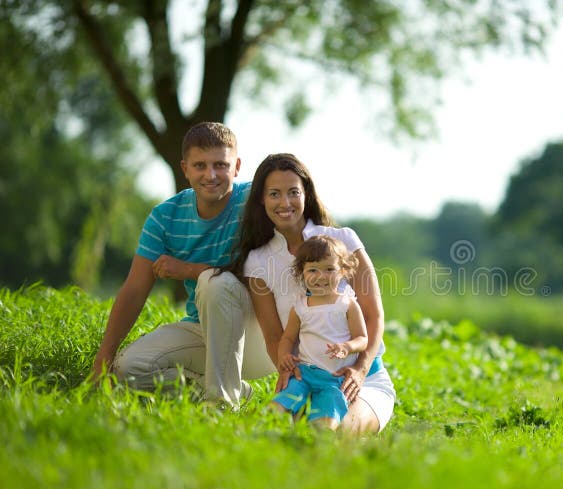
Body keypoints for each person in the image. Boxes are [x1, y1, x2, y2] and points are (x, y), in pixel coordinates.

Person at [90, 122, 274, 407]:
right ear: (184, 168)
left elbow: (302, 241)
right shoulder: (165, 217)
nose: (210, 175)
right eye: (199, 165)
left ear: (236, 166)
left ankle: (222, 407)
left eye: (220, 165)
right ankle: (229, 390)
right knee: (127, 369)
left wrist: (189, 270)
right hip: (205, 329)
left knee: (215, 283)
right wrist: (104, 356)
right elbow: (135, 289)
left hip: (265, 333)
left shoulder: (257, 200)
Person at [228, 153, 396, 433]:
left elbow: (373, 314)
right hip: (305, 378)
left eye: (294, 192)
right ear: (261, 199)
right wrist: (288, 372)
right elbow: (273, 336)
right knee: (289, 431)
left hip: (362, 377)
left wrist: (361, 368)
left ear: (306, 194)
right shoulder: (257, 261)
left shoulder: (343, 240)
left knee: (337, 431)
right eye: (274, 194)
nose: (285, 202)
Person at [271, 235, 368, 430]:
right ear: (302, 273)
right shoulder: (300, 307)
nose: (321, 276)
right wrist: (283, 356)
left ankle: (318, 437)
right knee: (276, 409)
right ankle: (267, 435)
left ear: (342, 271)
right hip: (303, 375)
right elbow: (288, 338)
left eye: (329, 269)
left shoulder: (347, 304)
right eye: (313, 270)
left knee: (325, 423)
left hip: (335, 380)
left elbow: (362, 338)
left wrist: (347, 347)